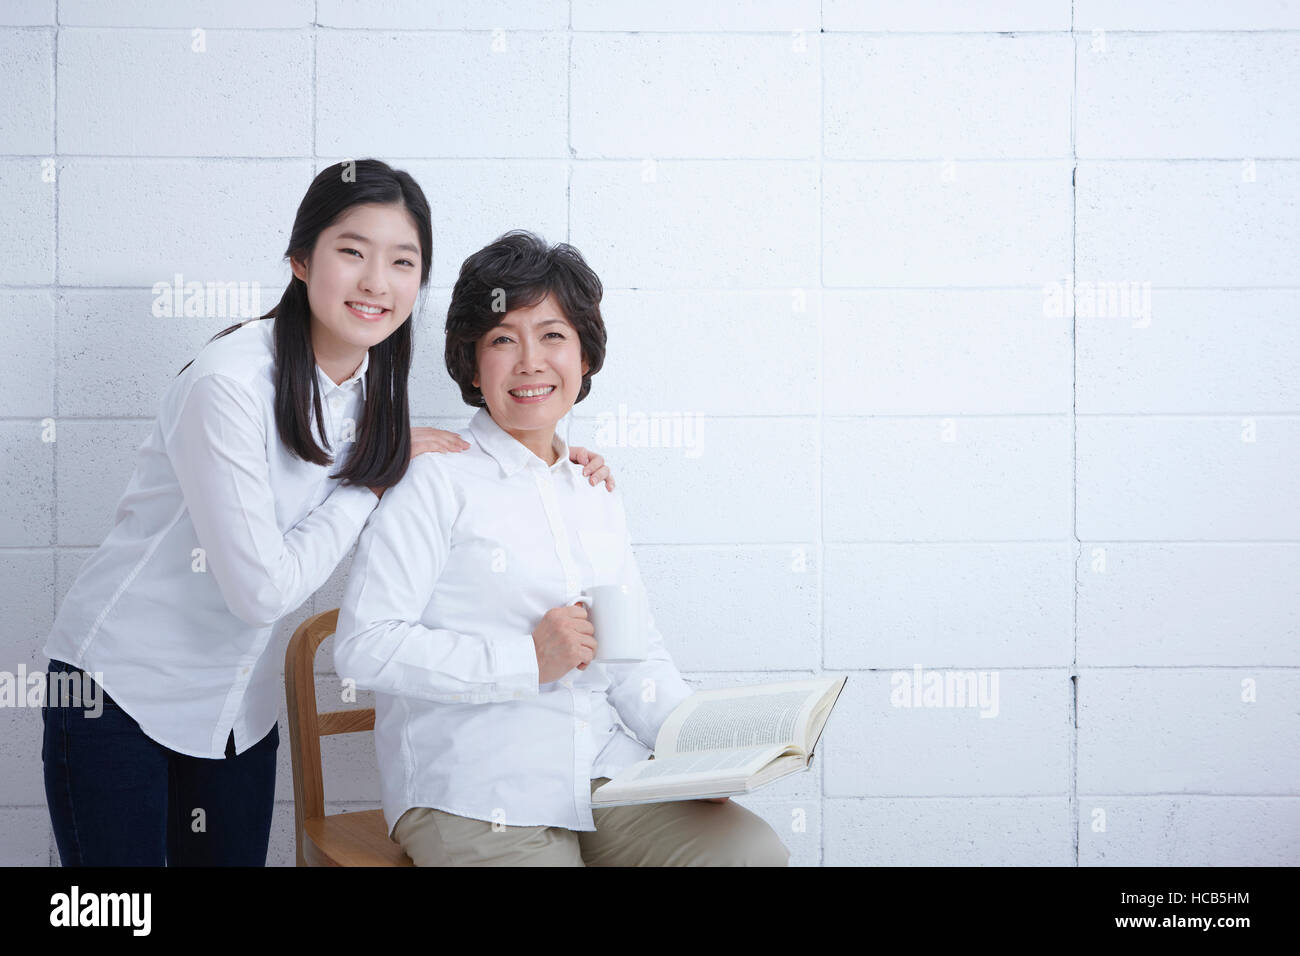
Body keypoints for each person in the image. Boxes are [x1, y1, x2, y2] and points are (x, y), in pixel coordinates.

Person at [40, 162, 614, 867]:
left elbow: (459, 485)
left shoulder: (374, 388)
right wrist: (369, 487)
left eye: (402, 261)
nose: (377, 281)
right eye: (352, 252)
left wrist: (558, 468)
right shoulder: (229, 385)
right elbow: (260, 594)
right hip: (120, 692)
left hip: (234, 713)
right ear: (301, 260)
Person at [334, 230, 791, 866]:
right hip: (472, 788)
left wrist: (694, 753)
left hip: (598, 769)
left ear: (585, 357)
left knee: (747, 852)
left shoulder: (592, 487)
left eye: (552, 335)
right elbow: (364, 647)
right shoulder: (431, 479)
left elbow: (634, 658)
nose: (530, 362)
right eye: (502, 339)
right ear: (471, 363)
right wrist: (526, 660)